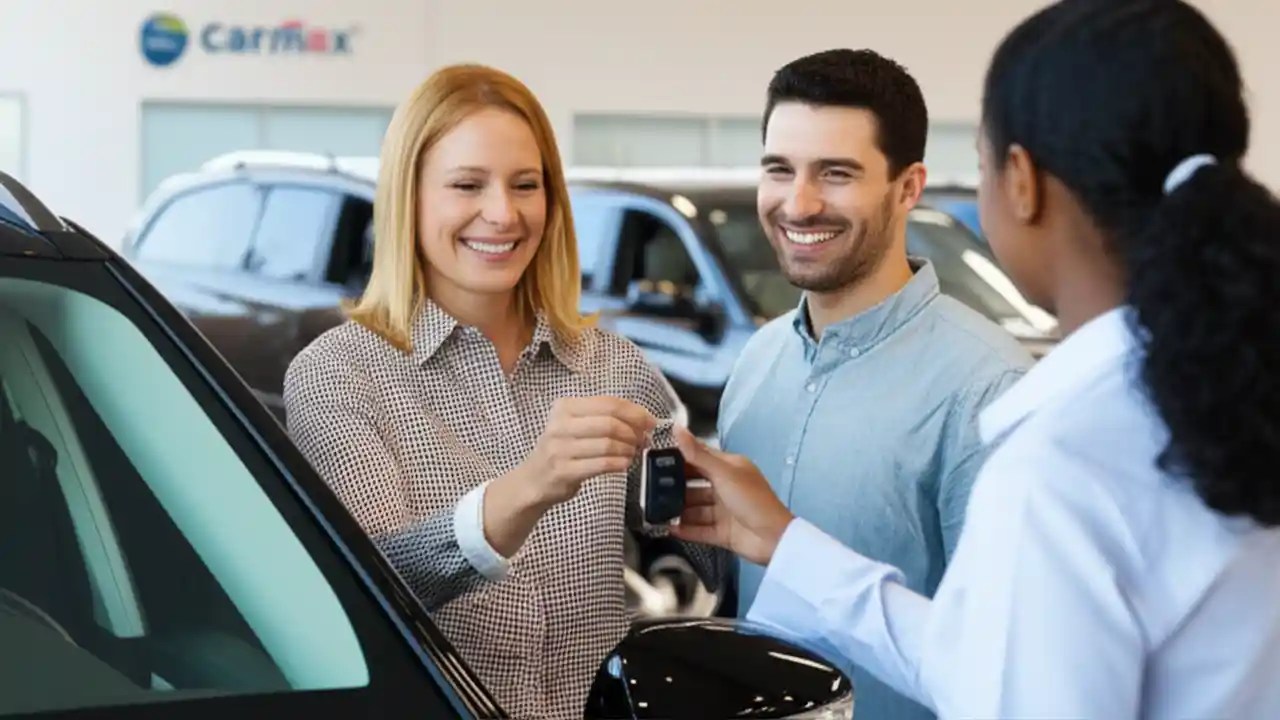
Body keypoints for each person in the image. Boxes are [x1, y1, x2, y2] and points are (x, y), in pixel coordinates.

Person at [672, 1, 1280, 717]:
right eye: (779, 167)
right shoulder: (1222, 395)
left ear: (1019, 180)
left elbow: (996, 689)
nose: (800, 202)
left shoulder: (1053, 453)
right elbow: (987, 656)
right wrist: (783, 543)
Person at [283, 64, 721, 720]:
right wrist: (527, 488)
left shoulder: (614, 369)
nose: (503, 214)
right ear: (409, 198)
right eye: (467, 185)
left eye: (526, 185)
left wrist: (732, 507)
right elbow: (372, 584)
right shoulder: (340, 375)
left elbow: (714, 554)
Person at [717, 48, 1033, 719]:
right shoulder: (757, 361)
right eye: (780, 170)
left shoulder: (989, 390)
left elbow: (1010, 664)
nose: (798, 203)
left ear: (908, 186)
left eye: (836, 174)